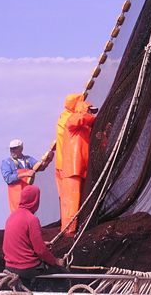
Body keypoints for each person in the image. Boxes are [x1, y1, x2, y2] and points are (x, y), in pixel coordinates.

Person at [3, 185, 65, 288]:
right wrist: (56, 261)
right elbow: (40, 251)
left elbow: (14, 243)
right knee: (62, 274)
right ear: (35, 200)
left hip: (9, 267)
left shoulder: (11, 217)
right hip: (27, 269)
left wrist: (42, 244)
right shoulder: (32, 219)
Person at [60, 100, 97, 235]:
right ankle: (69, 230)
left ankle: (74, 227)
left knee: (78, 200)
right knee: (71, 201)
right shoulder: (72, 120)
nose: (91, 113)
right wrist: (92, 116)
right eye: (89, 109)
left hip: (81, 168)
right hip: (72, 169)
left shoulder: (86, 128)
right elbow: (79, 118)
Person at [1, 139, 51, 212]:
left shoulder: (28, 159)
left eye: (14, 148)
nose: (12, 150)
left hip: (28, 194)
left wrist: (47, 162)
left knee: (30, 212)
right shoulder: (6, 162)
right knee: (18, 214)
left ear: (21, 148)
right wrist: (24, 174)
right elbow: (8, 178)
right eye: (11, 149)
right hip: (16, 196)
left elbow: (39, 167)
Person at [55, 93, 84, 197]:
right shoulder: (71, 119)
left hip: (60, 163)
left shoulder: (63, 116)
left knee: (64, 197)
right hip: (68, 165)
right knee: (71, 196)